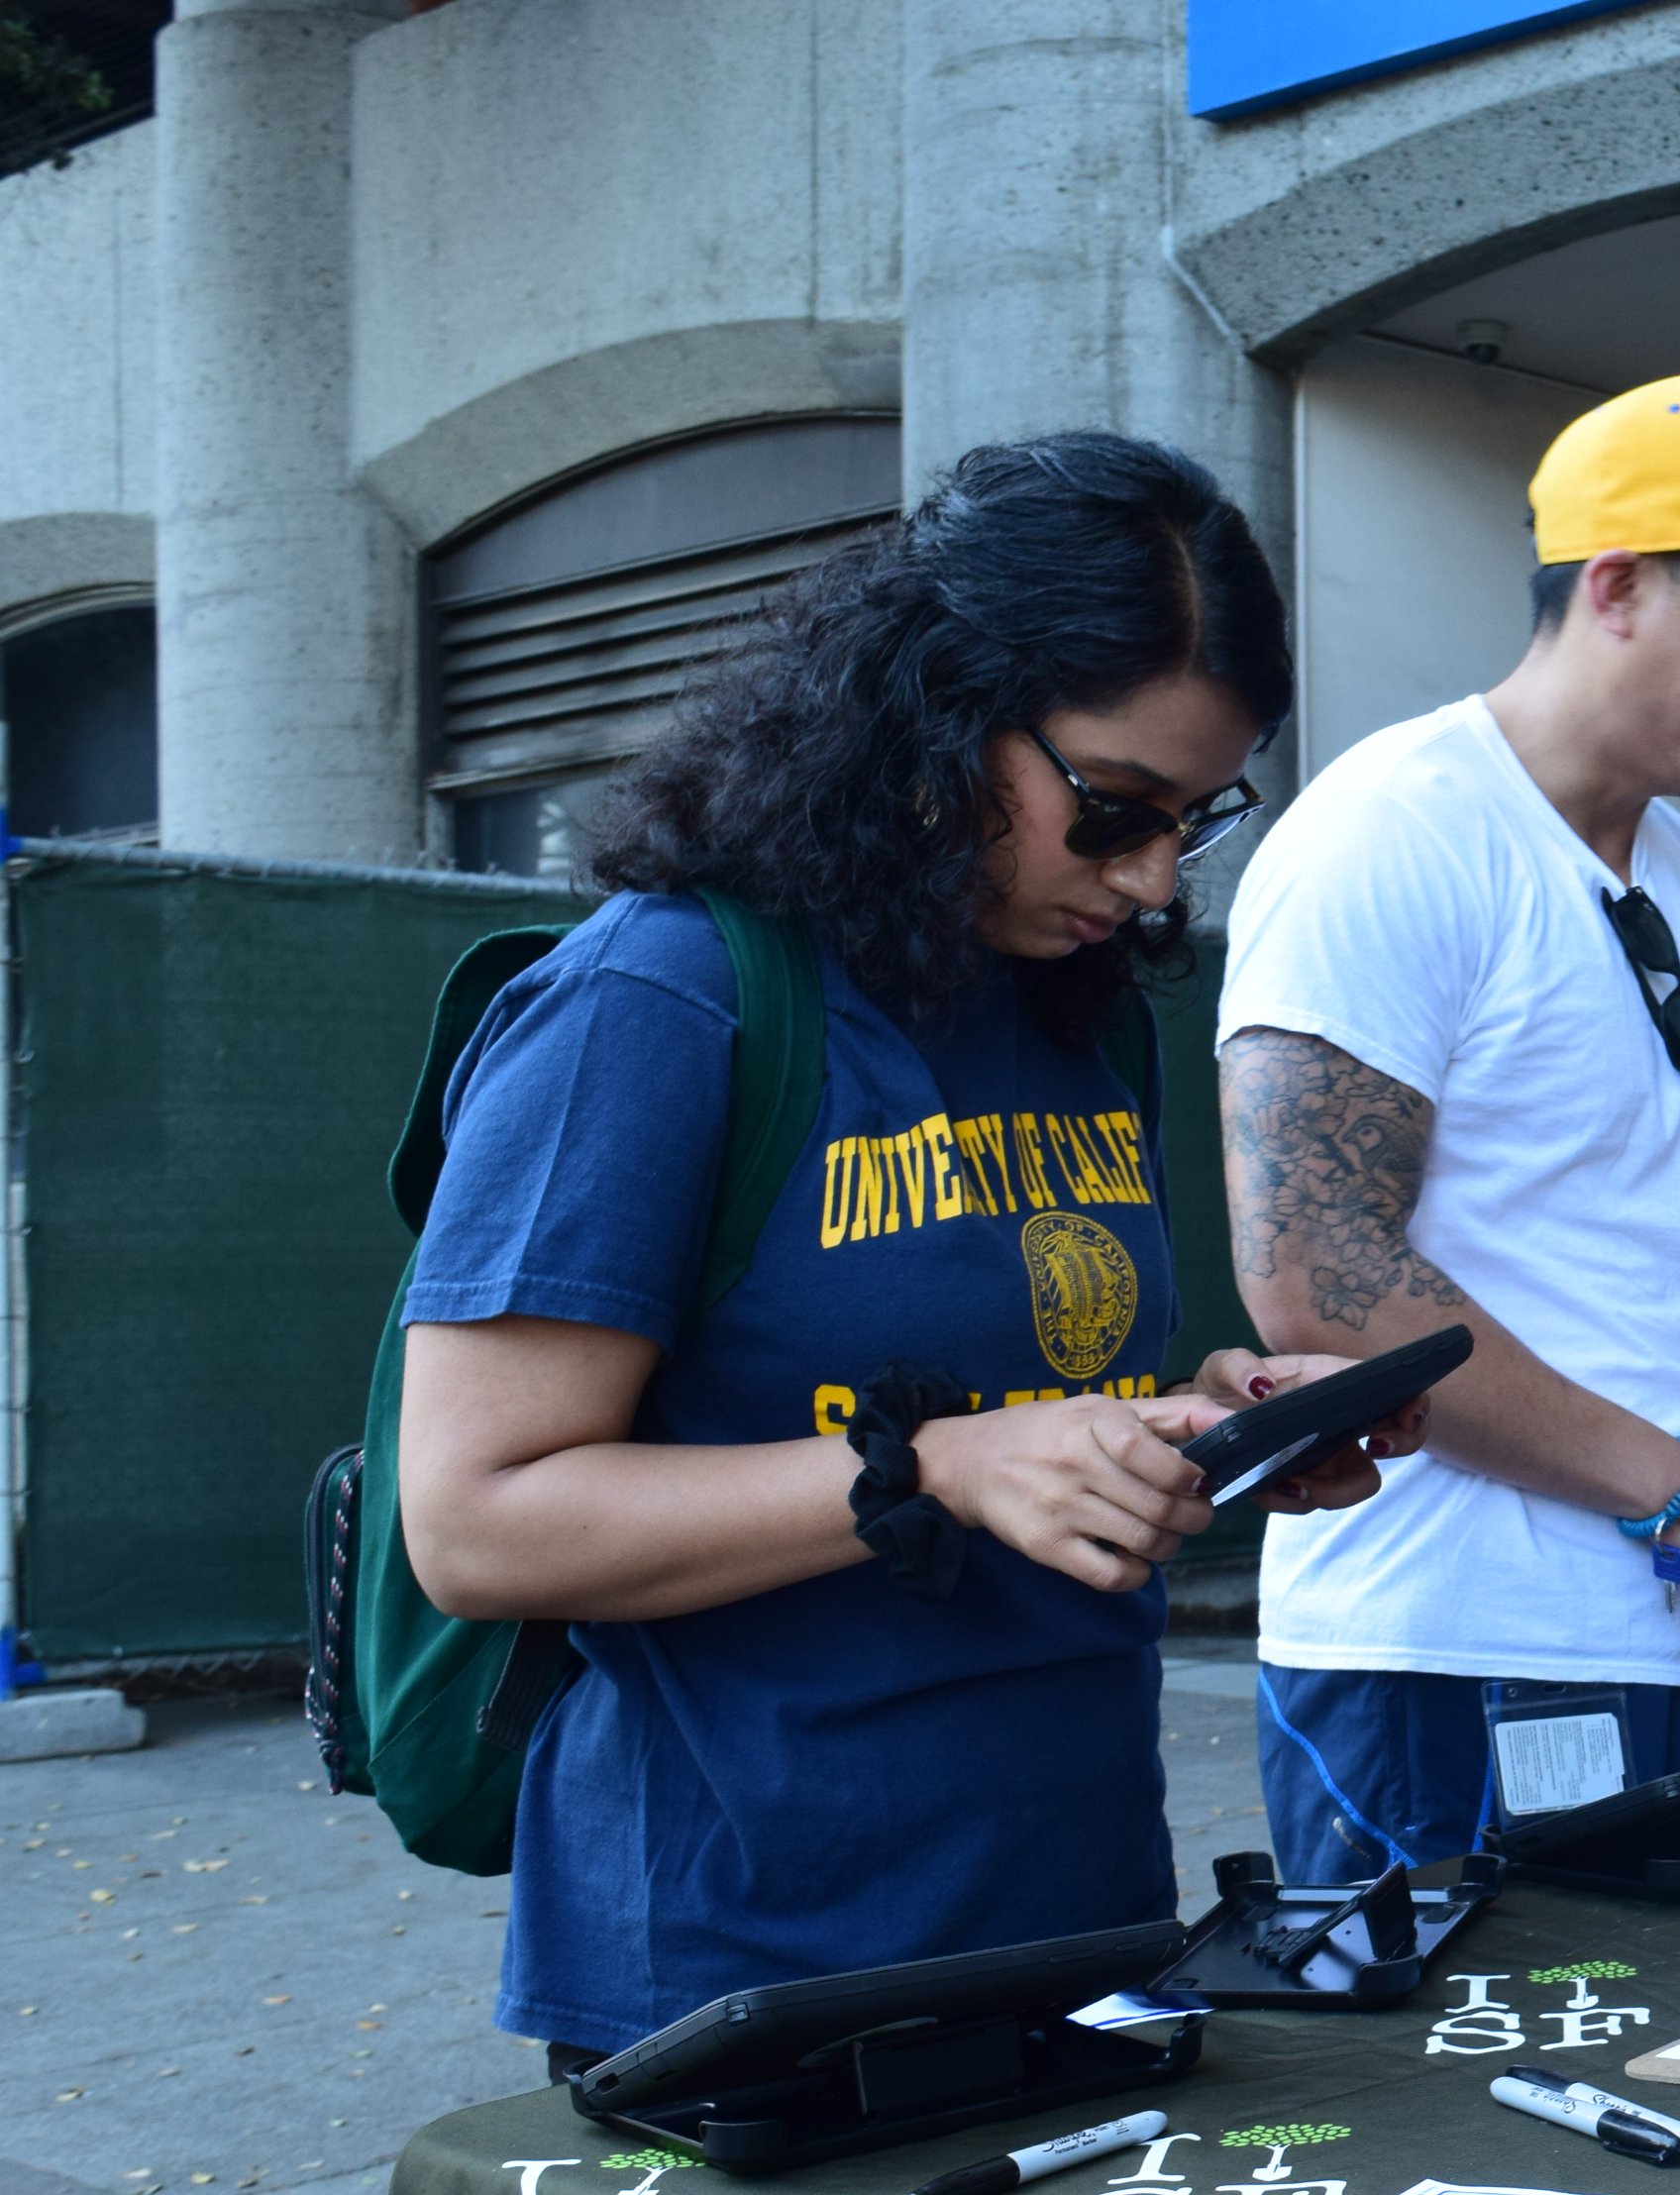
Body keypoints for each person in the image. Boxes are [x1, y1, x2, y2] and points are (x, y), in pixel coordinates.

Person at [401, 434, 1407, 2069]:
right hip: (757, 1976)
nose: (1151, 879)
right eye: (1110, 811)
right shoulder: (655, 1003)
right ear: (935, 715)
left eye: (1193, 822)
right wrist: (935, 1470)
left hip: (1081, 1919)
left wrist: (1203, 1421)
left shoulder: (1073, 1013)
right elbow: (477, 1521)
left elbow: (1031, 1402)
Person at [1214, 373, 1680, 1878]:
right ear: (1616, 586)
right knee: (1468, 2107)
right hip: (1436, 1652)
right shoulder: (1387, 829)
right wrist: (1678, 1484)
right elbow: (1314, 1272)